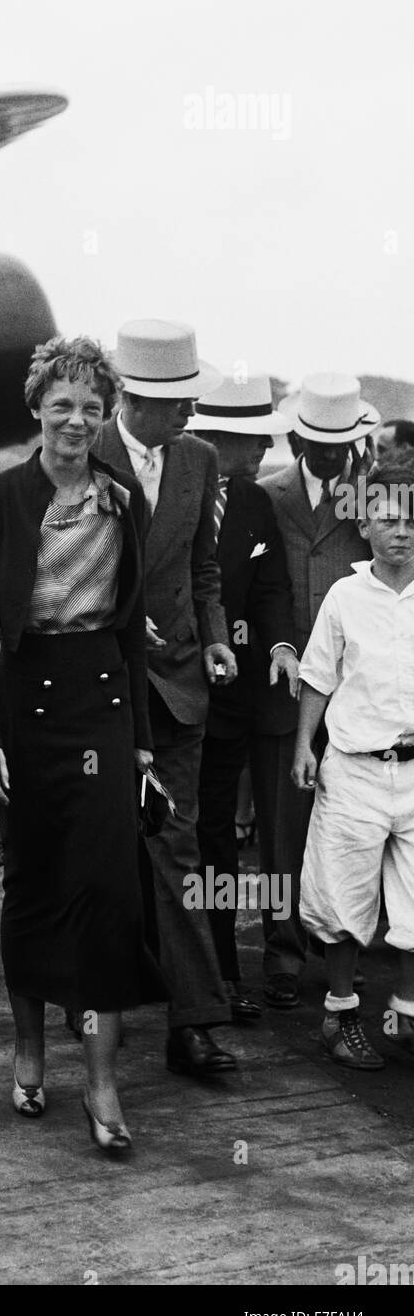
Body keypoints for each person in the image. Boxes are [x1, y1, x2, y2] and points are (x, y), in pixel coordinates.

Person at [0, 334, 166, 1154]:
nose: (75, 419)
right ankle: (30, 1045)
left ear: (106, 414)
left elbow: (133, 634)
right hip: (26, 707)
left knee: (111, 893)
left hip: (105, 706)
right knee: (35, 886)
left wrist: (143, 747)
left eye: (91, 406)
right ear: (36, 408)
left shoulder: (123, 500)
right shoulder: (0, 499)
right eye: (62, 404)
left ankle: (104, 1086)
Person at [100, 320, 239, 1077]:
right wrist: (119, 622)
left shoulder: (200, 459)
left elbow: (204, 566)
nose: (189, 414)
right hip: (104, 693)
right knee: (101, 854)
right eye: (176, 403)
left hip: (181, 688)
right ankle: (91, 1006)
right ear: (132, 398)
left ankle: (194, 1023)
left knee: (178, 851)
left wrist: (214, 634)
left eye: (191, 401)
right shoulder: (79, 455)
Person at [256, 373, 379, 1008]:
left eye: (341, 445)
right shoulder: (269, 497)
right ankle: (281, 950)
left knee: (351, 826)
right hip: (288, 687)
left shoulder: (367, 501)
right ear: (298, 438)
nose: (328, 456)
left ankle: (344, 955)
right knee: (283, 824)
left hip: (355, 689)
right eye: (318, 444)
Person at [292, 461, 414, 1070]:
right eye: (389, 518)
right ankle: (340, 1016)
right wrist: (302, 747)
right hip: (354, 769)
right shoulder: (345, 594)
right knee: (344, 902)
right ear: (364, 523)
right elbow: (317, 676)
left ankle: (406, 1013)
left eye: (413, 519)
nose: (403, 531)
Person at [189, 373, 299, 1021]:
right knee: (159, 831)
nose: (261, 453)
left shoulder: (256, 505)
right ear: (214, 436)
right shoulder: (170, 492)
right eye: (250, 441)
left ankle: (223, 971)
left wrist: (281, 647)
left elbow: (271, 590)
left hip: (229, 701)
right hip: (165, 696)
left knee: (217, 837)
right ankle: (157, 963)